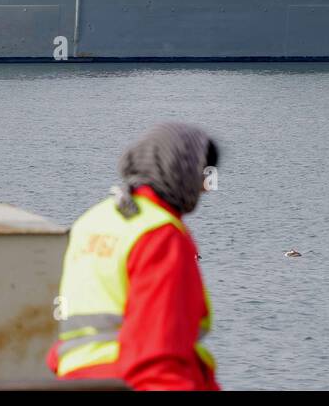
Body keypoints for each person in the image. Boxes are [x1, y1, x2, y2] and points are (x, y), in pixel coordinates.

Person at [47, 123, 220, 391]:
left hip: (73, 379)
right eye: (203, 173)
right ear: (179, 169)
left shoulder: (91, 222)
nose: (206, 188)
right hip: (129, 380)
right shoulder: (158, 234)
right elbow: (158, 358)